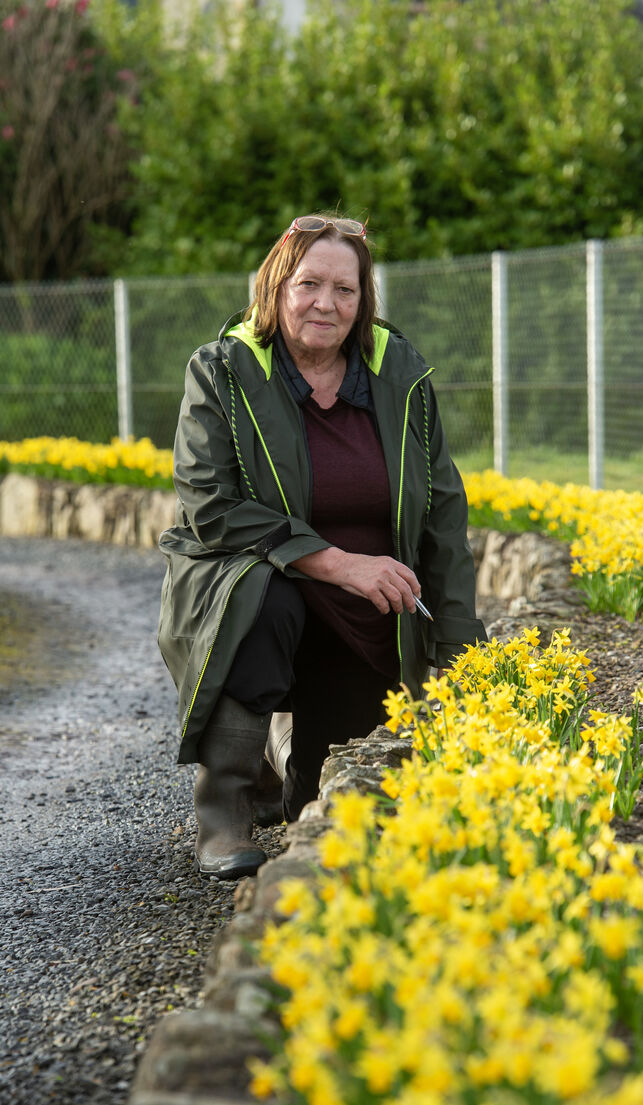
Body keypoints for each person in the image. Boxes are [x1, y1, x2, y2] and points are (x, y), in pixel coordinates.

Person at [157, 213, 486, 880]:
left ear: (363, 302)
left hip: (367, 620)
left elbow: (442, 520)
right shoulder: (222, 372)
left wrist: (460, 650)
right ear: (276, 287)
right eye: (310, 284)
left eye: (345, 289)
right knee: (265, 595)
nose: (325, 304)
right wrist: (336, 563)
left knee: (324, 803)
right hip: (258, 597)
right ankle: (223, 811)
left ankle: (283, 760)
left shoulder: (400, 376)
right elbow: (208, 506)